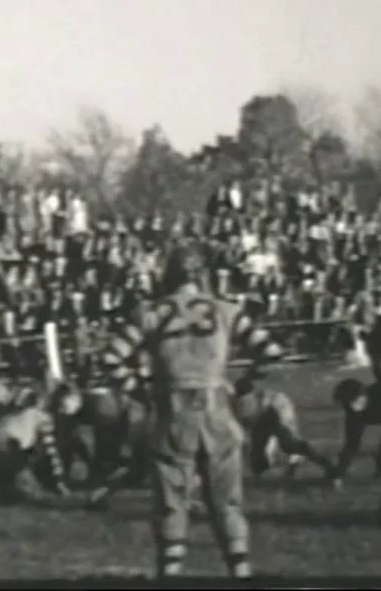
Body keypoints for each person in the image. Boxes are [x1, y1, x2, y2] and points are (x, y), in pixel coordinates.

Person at [112, 242, 279, 579]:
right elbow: (271, 351)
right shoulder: (227, 309)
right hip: (216, 404)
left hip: (172, 411)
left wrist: (141, 392)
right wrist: (244, 384)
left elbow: (110, 361)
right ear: (201, 275)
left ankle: (170, 574)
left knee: (172, 504)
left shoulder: (150, 313)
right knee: (227, 503)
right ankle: (241, 572)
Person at [232, 370, 335, 480]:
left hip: (276, 408)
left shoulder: (245, 401)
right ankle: (268, 474)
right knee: (258, 450)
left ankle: (327, 464)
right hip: (269, 410)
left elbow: (249, 419)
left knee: (290, 443)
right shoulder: (246, 400)